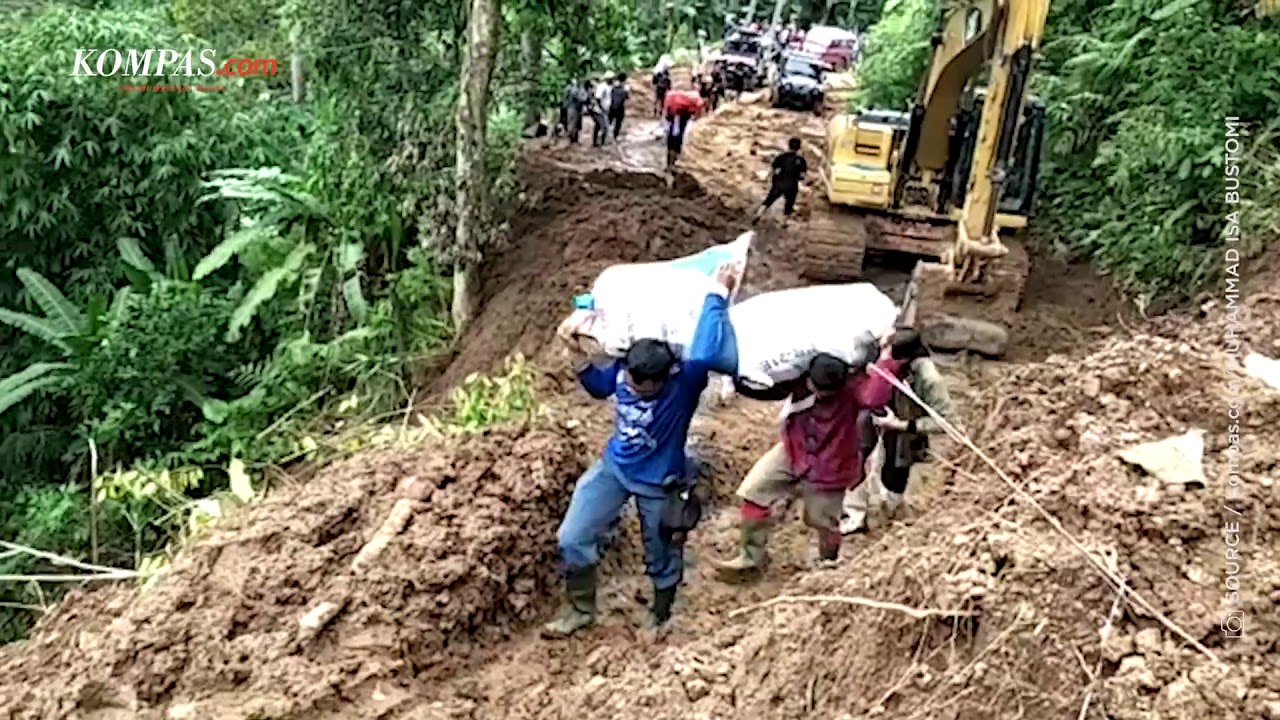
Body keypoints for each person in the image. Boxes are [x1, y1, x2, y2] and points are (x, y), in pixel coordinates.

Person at [543, 268, 739, 638]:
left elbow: (705, 349)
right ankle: (581, 610)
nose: (635, 390)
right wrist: (575, 352)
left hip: (660, 483)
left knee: (662, 554)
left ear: (667, 376)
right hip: (614, 468)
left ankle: (661, 615)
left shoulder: (685, 383)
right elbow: (598, 386)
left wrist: (718, 292)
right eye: (632, 384)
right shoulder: (622, 368)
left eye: (645, 389)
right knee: (572, 536)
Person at [710, 345, 891, 581]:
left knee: (823, 521)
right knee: (754, 491)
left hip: (832, 460)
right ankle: (750, 558)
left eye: (827, 391)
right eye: (816, 388)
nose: (820, 394)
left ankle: (828, 567)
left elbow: (874, 397)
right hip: (793, 449)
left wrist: (886, 359)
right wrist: (738, 378)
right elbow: (771, 391)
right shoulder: (798, 377)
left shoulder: (855, 385)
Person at [841, 328, 954, 534]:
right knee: (856, 457)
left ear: (904, 359)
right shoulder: (883, 357)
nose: (884, 356)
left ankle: (889, 512)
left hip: (904, 424)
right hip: (876, 410)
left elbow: (946, 421)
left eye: (889, 353)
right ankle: (853, 514)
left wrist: (902, 425)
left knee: (895, 471)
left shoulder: (929, 379)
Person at [751, 137, 807, 226]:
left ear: (788, 145)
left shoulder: (781, 157)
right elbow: (802, 176)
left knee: (769, 200)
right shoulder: (801, 160)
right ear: (799, 147)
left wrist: (769, 179)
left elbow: (773, 170)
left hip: (779, 183)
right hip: (792, 185)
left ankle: (759, 214)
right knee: (789, 204)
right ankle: (783, 222)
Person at [586, 78, 609, 147]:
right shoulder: (592, 92)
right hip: (597, 111)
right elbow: (597, 99)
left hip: (595, 110)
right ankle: (602, 142)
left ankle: (595, 142)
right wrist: (602, 108)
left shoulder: (592, 92)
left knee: (598, 126)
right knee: (604, 127)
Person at [608, 73, 629, 142]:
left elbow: (610, 94)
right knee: (618, 122)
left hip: (612, 106)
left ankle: (606, 135)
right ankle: (615, 136)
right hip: (620, 107)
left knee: (609, 121)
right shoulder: (625, 87)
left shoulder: (613, 85)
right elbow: (626, 97)